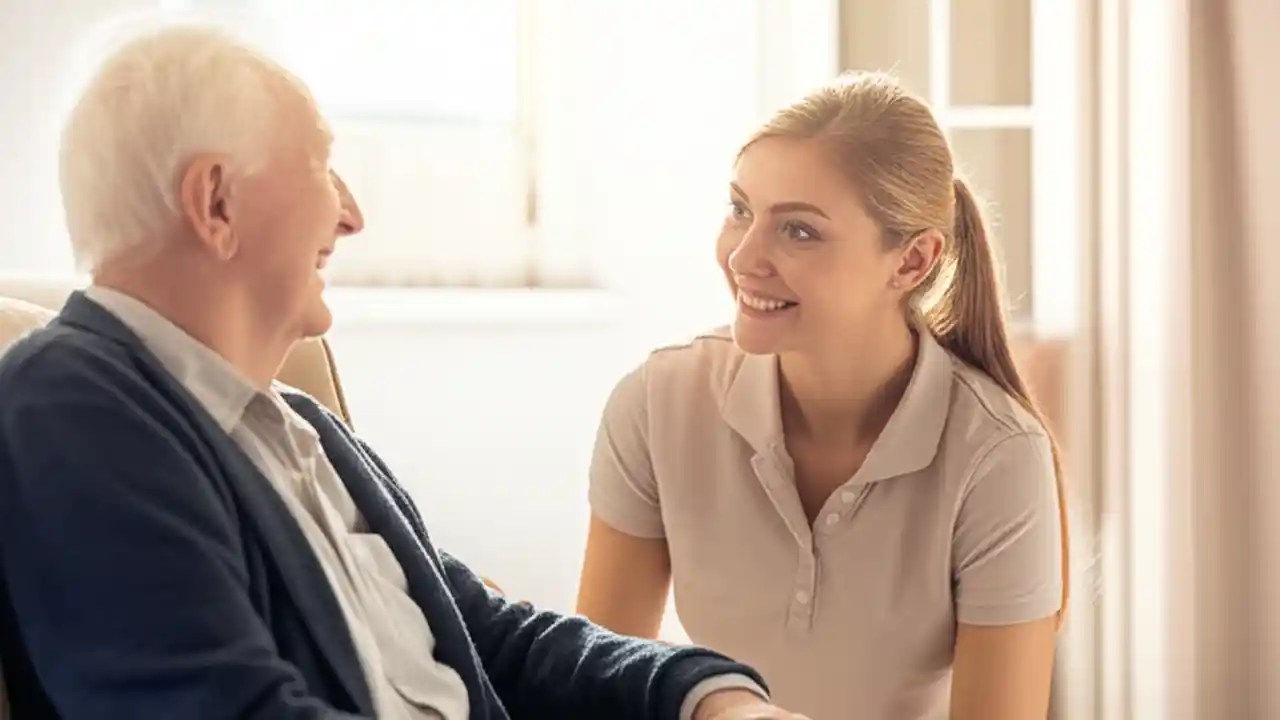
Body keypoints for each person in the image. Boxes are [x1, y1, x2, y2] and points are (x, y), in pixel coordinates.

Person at [0, 25, 809, 720]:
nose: (351, 215)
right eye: (320, 166)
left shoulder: (300, 426)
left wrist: (708, 698)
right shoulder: (71, 403)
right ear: (216, 202)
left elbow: (489, 636)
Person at [576, 71, 1070, 720]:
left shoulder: (997, 457)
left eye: (799, 231)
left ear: (912, 261)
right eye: (740, 210)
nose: (743, 257)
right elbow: (599, 691)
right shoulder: (657, 404)